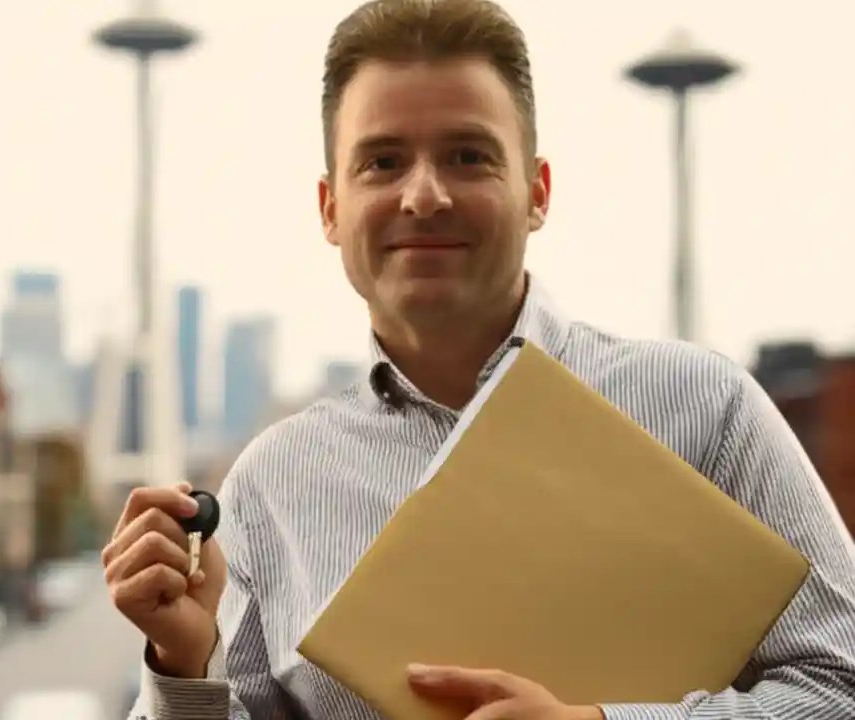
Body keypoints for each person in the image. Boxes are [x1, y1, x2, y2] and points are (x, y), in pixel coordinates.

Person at [100, 0, 855, 717]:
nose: (423, 196)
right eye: (383, 162)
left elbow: (844, 685)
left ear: (537, 191)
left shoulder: (706, 410)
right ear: (331, 209)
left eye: (467, 156)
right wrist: (184, 662)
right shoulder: (272, 487)